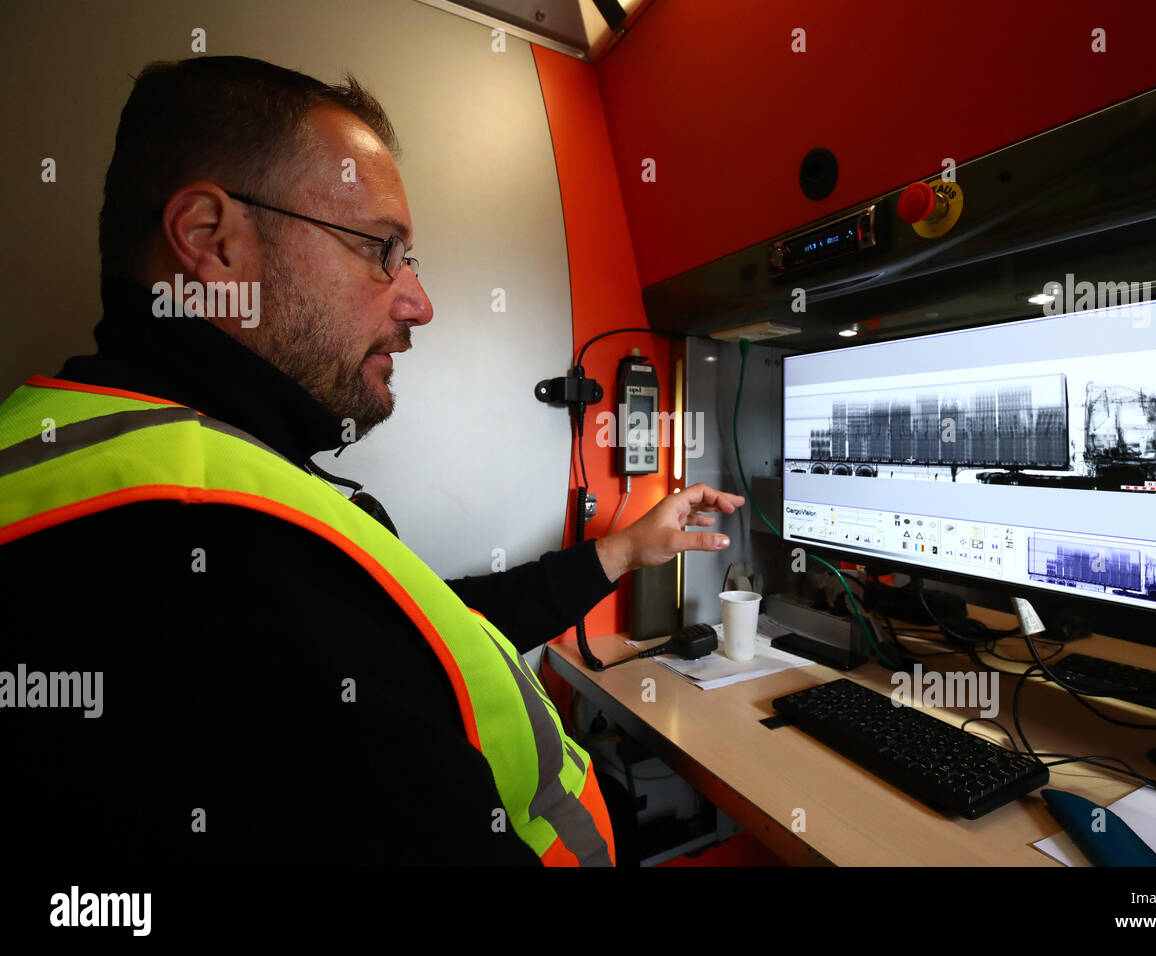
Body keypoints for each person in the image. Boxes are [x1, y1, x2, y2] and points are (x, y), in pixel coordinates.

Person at [0, 55, 743, 866]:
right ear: (211, 244)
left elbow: (423, 634)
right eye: (378, 248)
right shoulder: (207, 546)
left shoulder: (139, 451)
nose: (417, 303)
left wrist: (627, 550)